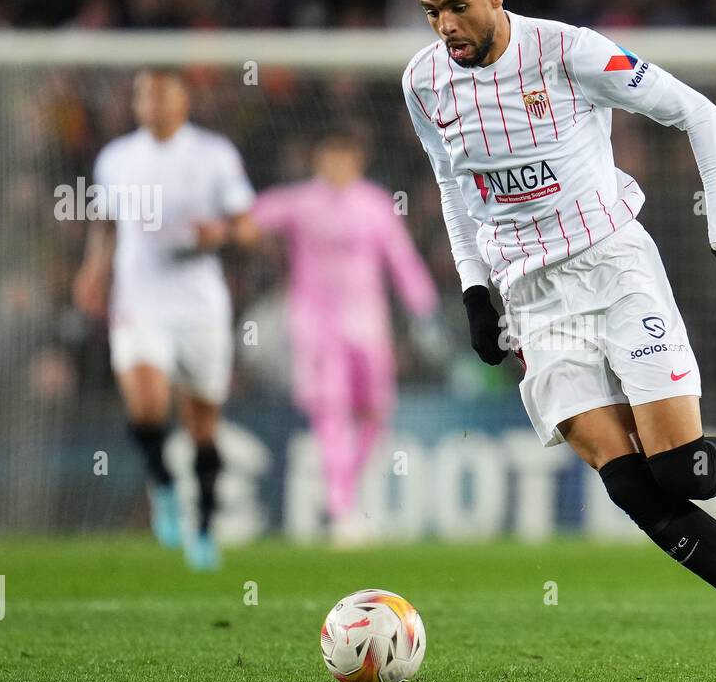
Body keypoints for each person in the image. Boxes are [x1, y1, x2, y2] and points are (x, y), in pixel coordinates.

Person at [402, 0, 716, 682]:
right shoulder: (423, 84)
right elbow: (454, 190)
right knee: (629, 485)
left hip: (613, 270)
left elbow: (700, 113)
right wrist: (475, 290)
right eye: (430, 12)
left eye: (455, 6)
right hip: (532, 300)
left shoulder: (569, 53)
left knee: (679, 467)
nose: (444, 26)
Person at [73, 68, 258, 570]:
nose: (151, 103)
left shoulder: (214, 154)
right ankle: (162, 483)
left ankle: (202, 527)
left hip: (199, 305)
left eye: (162, 94)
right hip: (139, 299)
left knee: (202, 426)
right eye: (143, 95)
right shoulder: (116, 158)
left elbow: (247, 229)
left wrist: (216, 234)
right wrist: (93, 271)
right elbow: (106, 225)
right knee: (148, 405)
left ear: (183, 100)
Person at [252, 132, 441, 541]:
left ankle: (343, 490)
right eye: (329, 157)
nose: (336, 166)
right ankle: (341, 507)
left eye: (344, 157)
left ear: (357, 160)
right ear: (319, 160)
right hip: (317, 329)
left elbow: (402, 260)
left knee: (375, 413)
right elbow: (250, 218)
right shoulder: (300, 203)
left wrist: (424, 308)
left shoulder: (374, 205)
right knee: (332, 412)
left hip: (368, 327)